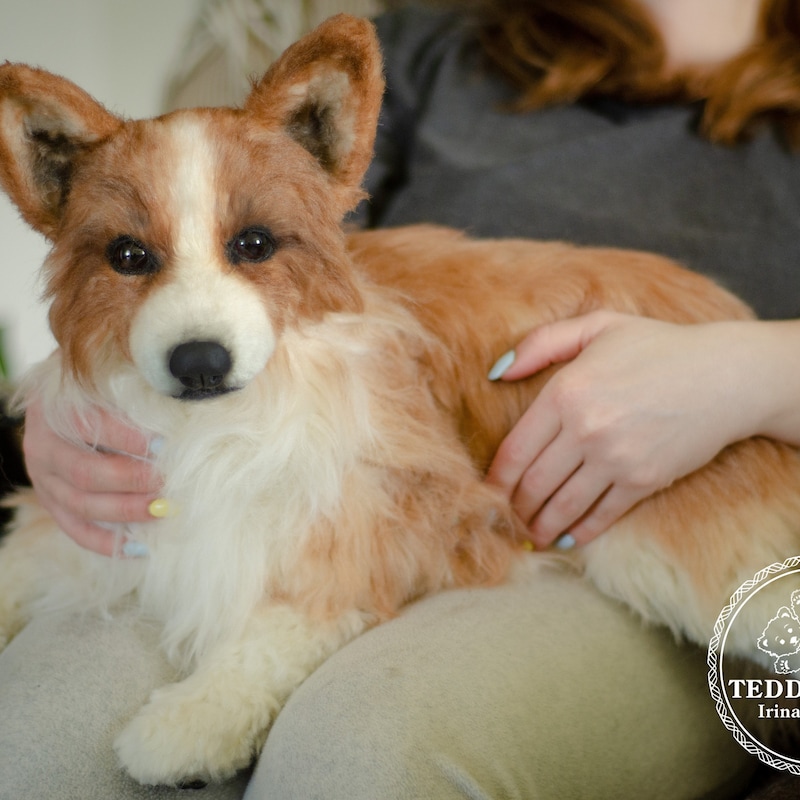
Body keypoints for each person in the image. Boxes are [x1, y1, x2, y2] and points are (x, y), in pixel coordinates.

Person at [3, 0, 800, 797]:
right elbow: (252, 232)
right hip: (342, 463)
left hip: (667, 508)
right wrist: (56, 414)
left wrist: (755, 373)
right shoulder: (433, 42)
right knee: (46, 732)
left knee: (365, 747)